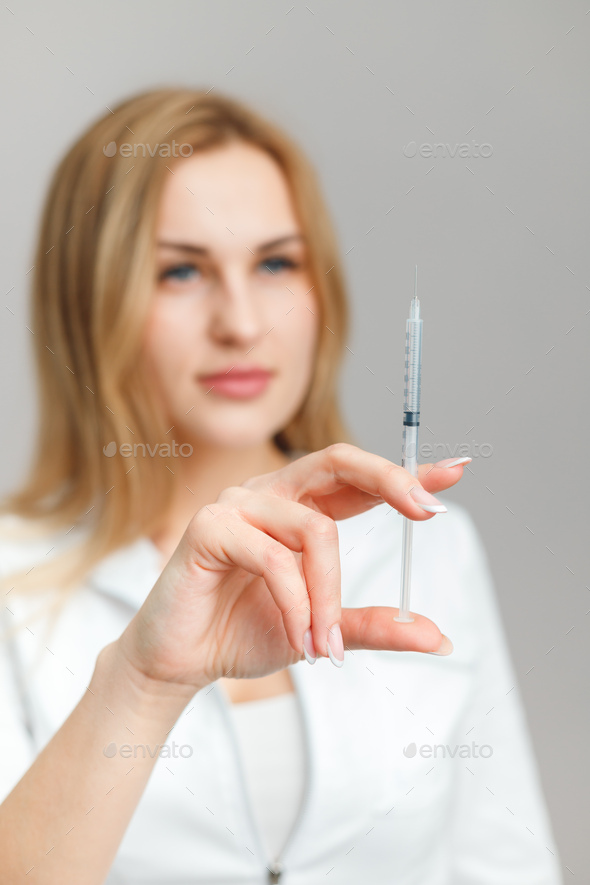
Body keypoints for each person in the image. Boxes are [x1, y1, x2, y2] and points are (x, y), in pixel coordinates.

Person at [0, 88, 562, 884]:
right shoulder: (11, 580)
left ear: (320, 290)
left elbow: (506, 862)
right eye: (182, 270)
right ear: (89, 302)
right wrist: (144, 680)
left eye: (274, 262)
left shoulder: (428, 544)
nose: (242, 322)